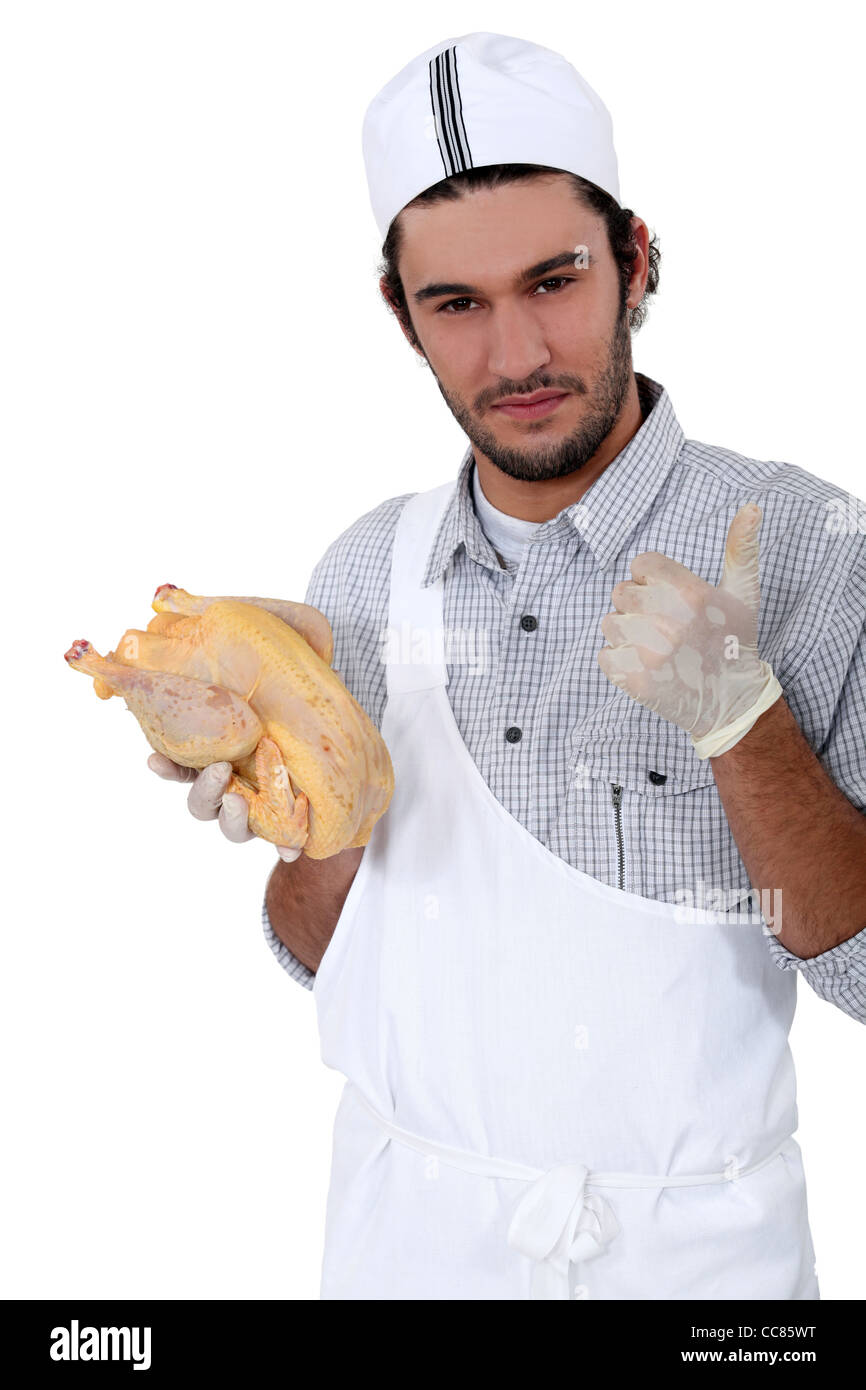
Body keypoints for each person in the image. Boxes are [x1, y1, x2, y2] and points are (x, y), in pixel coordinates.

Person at [151, 32, 866, 1300]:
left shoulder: (807, 548)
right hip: (404, 1253)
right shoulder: (367, 573)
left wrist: (740, 719)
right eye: (457, 305)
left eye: (555, 279)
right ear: (400, 314)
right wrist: (286, 780)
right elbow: (312, 955)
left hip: (700, 1277)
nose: (518, 355)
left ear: (635, 259)